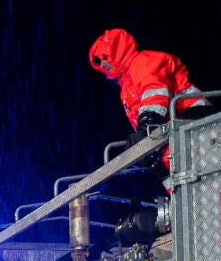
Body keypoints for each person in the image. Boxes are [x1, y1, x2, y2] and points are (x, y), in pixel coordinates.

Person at [88, 28, 212, 168]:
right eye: (100, 60)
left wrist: (145, 132)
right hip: (176, 123)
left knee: (169, 161)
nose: (103, 64)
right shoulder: (127, 84)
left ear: (118, 51)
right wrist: (146, 145)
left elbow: (156, 95)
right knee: (162, 164)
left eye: (105, 57)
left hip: (192, 112)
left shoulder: (144, 62)